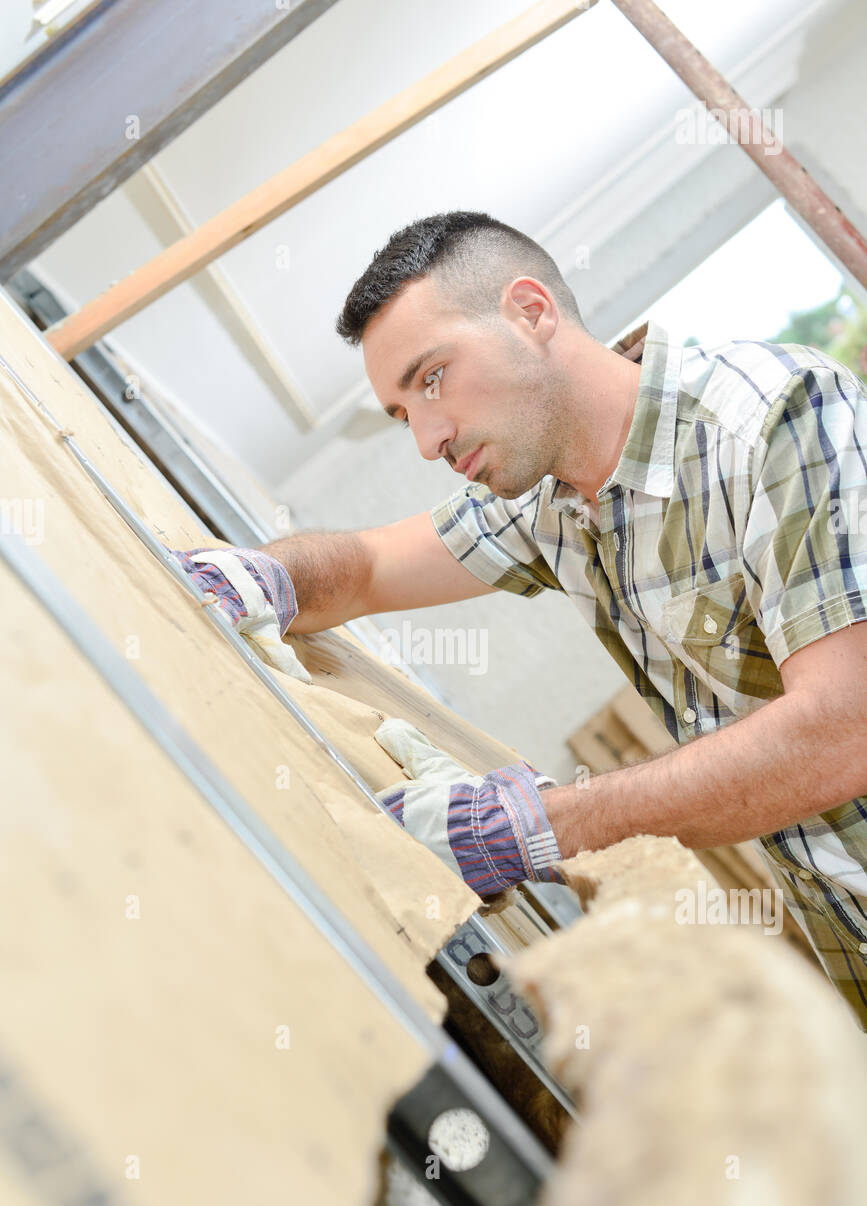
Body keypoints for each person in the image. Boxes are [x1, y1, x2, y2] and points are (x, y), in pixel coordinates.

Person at [174, 210, 867, 1029]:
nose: (426, 439)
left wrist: (537, 825)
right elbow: (364, 568)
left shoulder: (779, 417)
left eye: (432, 379)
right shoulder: (554, 503)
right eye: (401, 414)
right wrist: (267, 577)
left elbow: (845, 727)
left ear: (531, 312)